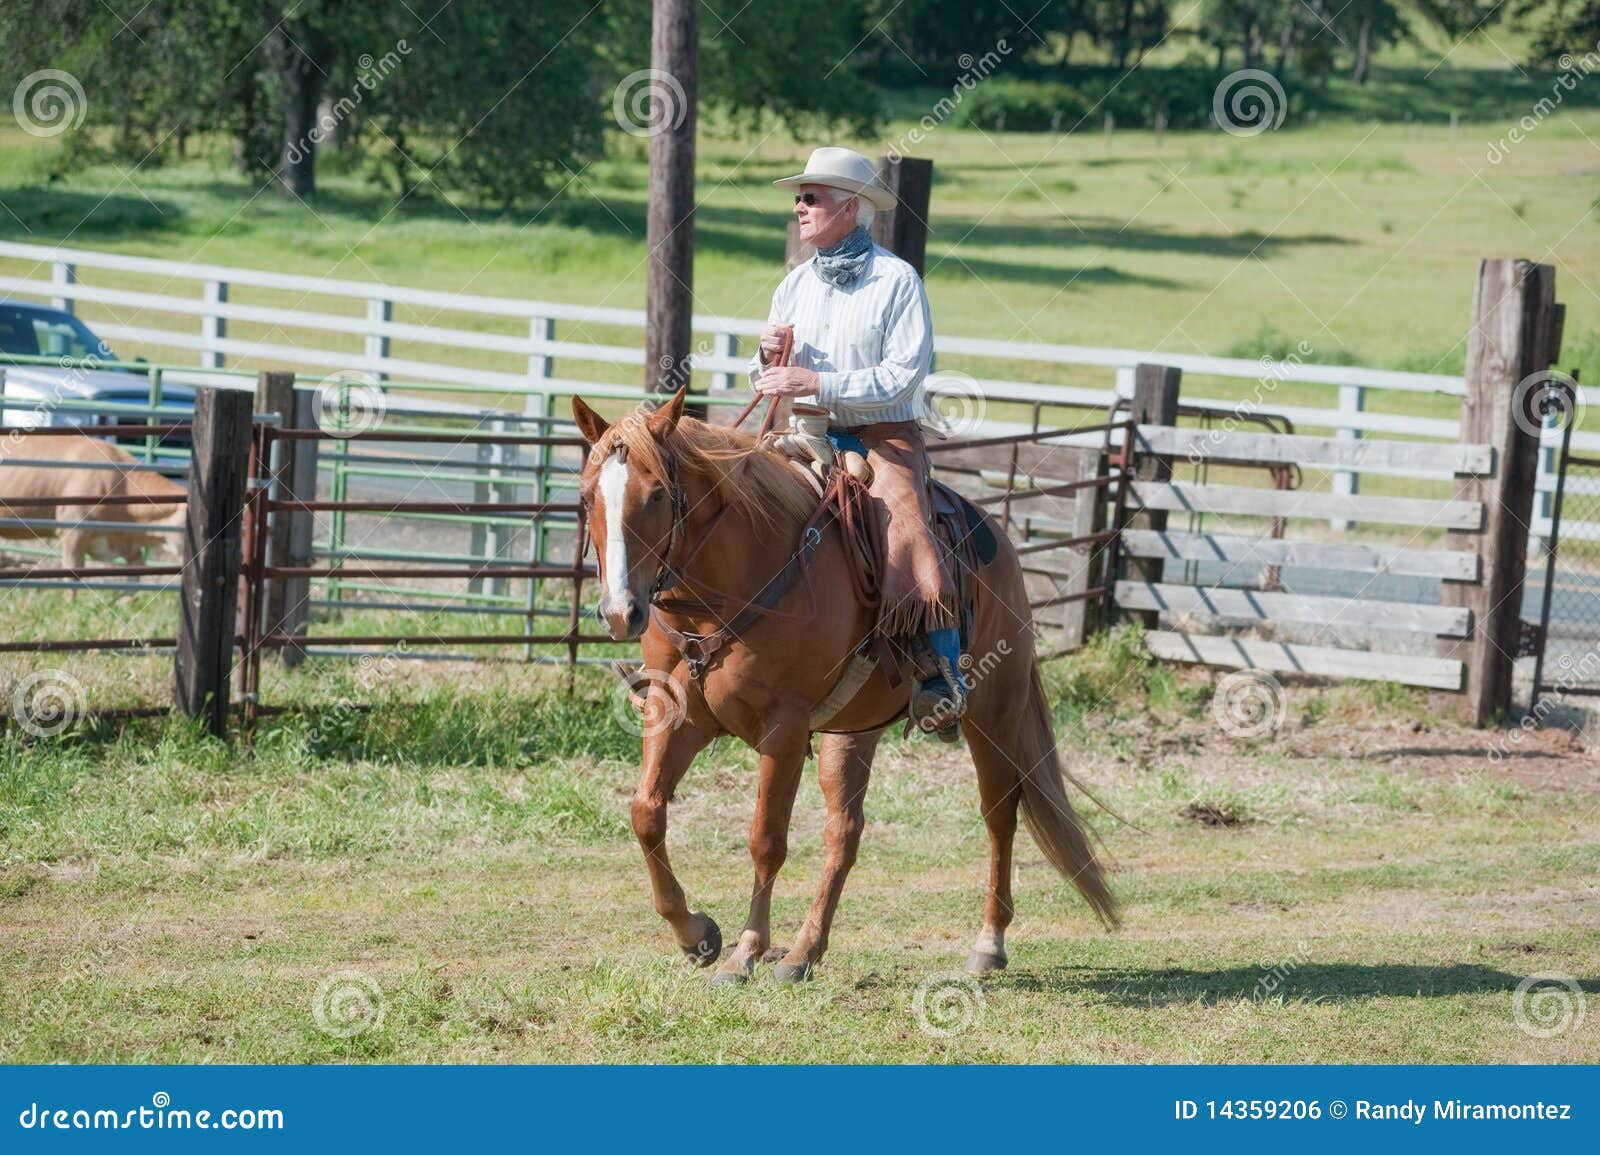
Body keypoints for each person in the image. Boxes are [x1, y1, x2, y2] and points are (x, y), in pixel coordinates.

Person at [748, 146, 964, 734]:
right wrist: (766, 361)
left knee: (909, 527)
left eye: (811, 196)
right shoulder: (793, 286)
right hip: (804, 432)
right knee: (736, 502)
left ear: (850, 206)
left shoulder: (896, 280)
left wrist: (816, 380)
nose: (799, 205)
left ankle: (938, 672)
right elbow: (764, 377)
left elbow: (904, 376)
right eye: (799, 196)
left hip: (882, 438)